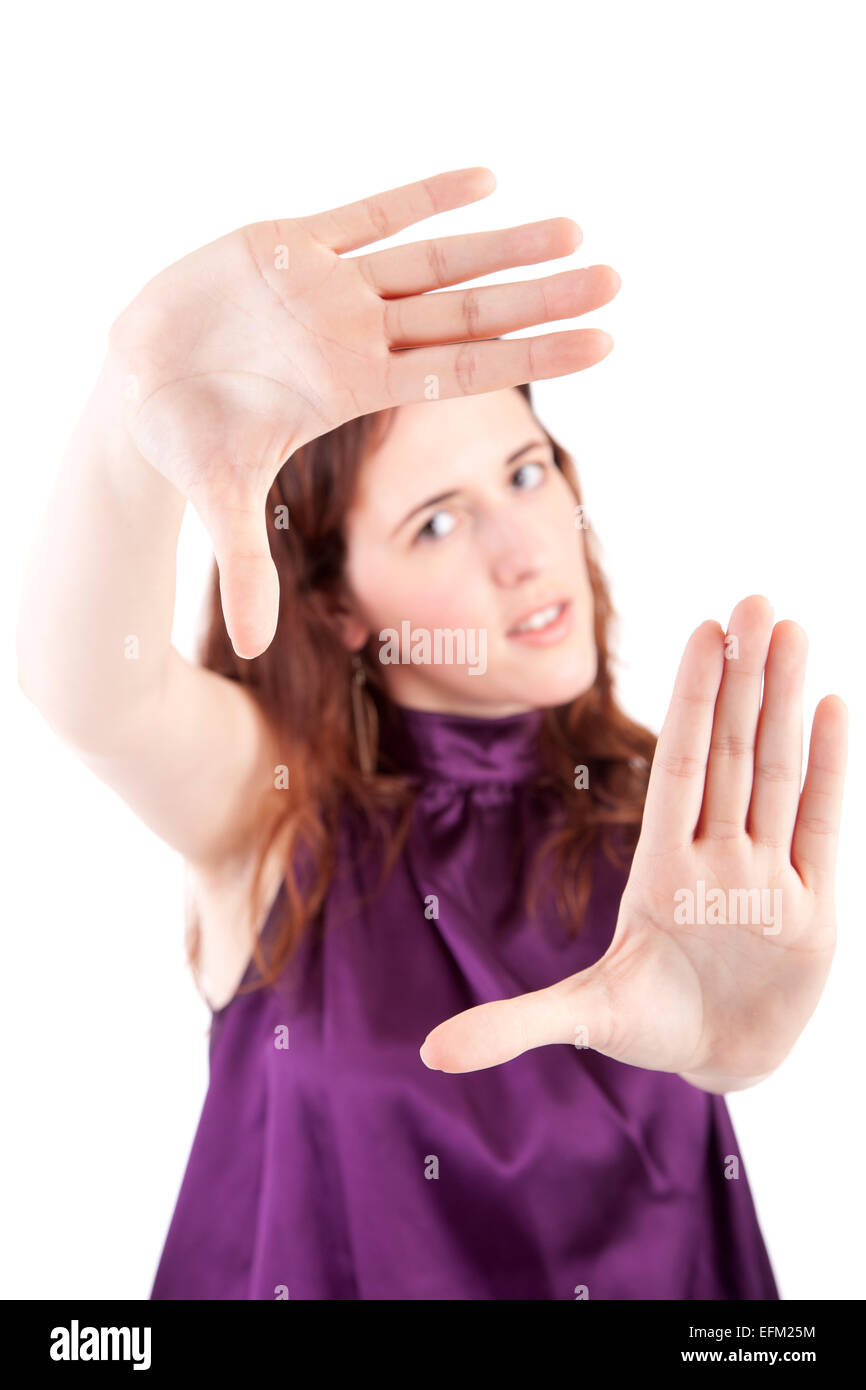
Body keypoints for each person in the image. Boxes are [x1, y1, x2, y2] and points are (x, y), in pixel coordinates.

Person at [16, 166, 847, 1300]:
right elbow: (89, 689)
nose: (523, 549)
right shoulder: (276, 811)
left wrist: (742, 1049)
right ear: (341, 604)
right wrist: (129, 405)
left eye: (523, 471)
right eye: (436, 521)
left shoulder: (665, 816)